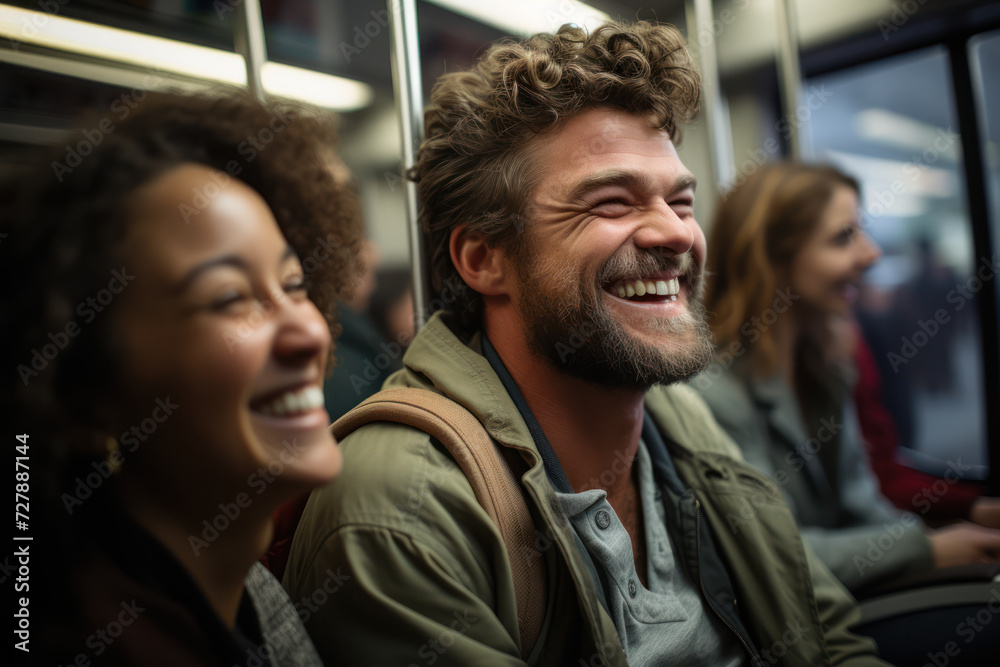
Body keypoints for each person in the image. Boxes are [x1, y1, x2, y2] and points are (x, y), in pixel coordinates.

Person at [283, 22, 888, 666]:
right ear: (484, 259)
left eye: (681, 202)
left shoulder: (677, 419)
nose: (676, 234)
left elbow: (827, 639)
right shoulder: (402, 507)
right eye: (611, 203)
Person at [1, 91, 363, 665]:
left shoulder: (253, 591)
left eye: (294, 285)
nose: (310, 334)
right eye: (228, 297)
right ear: (85, 393)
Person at [697, 161, 1000, 596]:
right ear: (774, 260)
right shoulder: (714, 394)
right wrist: (926, 550)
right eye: (844, 237)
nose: (872, 254)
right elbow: (771, 558)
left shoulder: (827, 365)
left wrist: (948, 538)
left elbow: (863, 506)